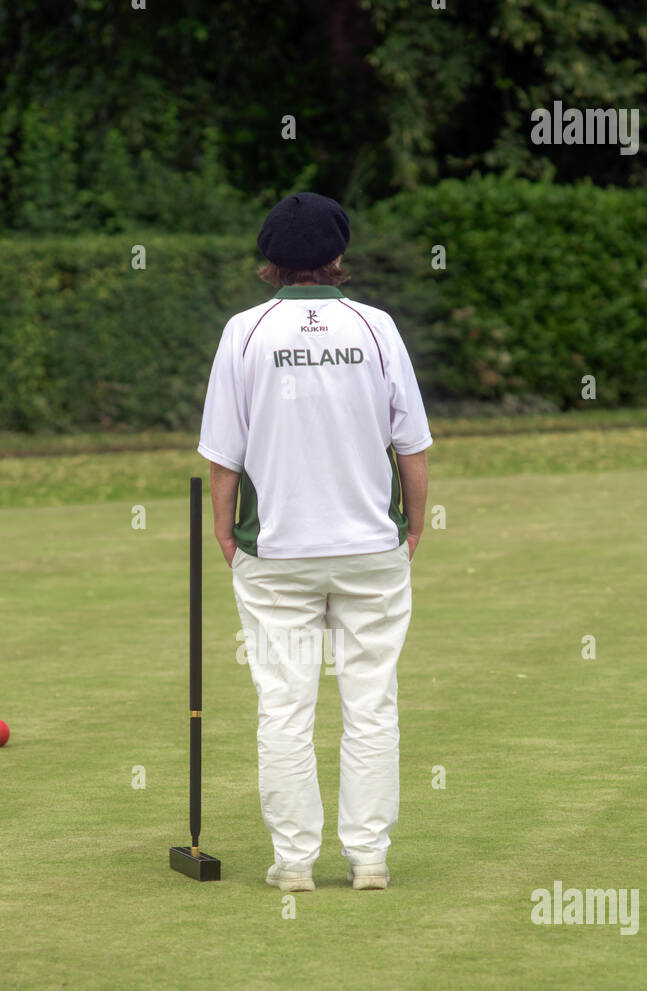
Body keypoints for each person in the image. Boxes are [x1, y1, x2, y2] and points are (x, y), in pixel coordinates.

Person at [198, 191, 430, 892]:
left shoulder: (242, 332)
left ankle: (294, 863)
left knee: (284, 706)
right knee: (370, 701)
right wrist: (414, 525)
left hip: (276, 553)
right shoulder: (377, 327)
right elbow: (412, 447)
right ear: (336, 257)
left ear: (269, 260)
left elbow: (222, 459)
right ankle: (368, 858)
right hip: (369, 549)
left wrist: (223, 532)